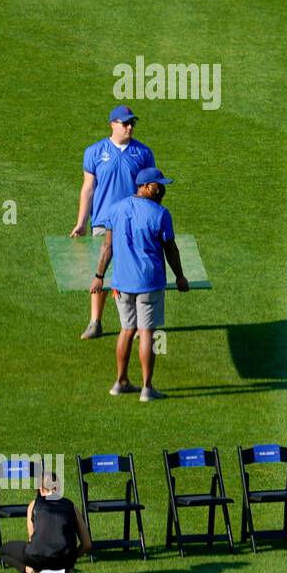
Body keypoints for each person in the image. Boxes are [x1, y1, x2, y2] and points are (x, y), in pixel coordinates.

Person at [90, 167, 189, 401]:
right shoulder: (161, 214)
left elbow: (107, 246)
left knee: (127, 330)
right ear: (144, 186)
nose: (162, 188)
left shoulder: (116, 209)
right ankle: (147, 388)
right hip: (149, 281)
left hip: (122, 282)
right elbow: (171, 250)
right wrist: (180, 277)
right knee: (146, 332)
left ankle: (121, 382)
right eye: (158, 184)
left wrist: (99, 275)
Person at [72, 105, 156, 340]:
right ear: (113, 124)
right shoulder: (94, 152)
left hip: (134, 222)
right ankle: (95, 322)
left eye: (132, 123)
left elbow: (151, 189)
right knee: (100, 271)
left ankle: (138, 325)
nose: (130, 127)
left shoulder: (143, 153)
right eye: (125, 123)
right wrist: (81, 222)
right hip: (103, 221)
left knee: (134, 271)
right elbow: (88, 189)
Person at [0, 472, 91, 573]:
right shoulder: (71, 506)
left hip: (38, 557)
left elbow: (32, 539)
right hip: (66, 559)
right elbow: (87, 544)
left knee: (3, 551)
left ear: (41, 489)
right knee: (67, 543)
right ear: (58, 488)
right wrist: (70, 559)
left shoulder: (33, 505)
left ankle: (30, 571)